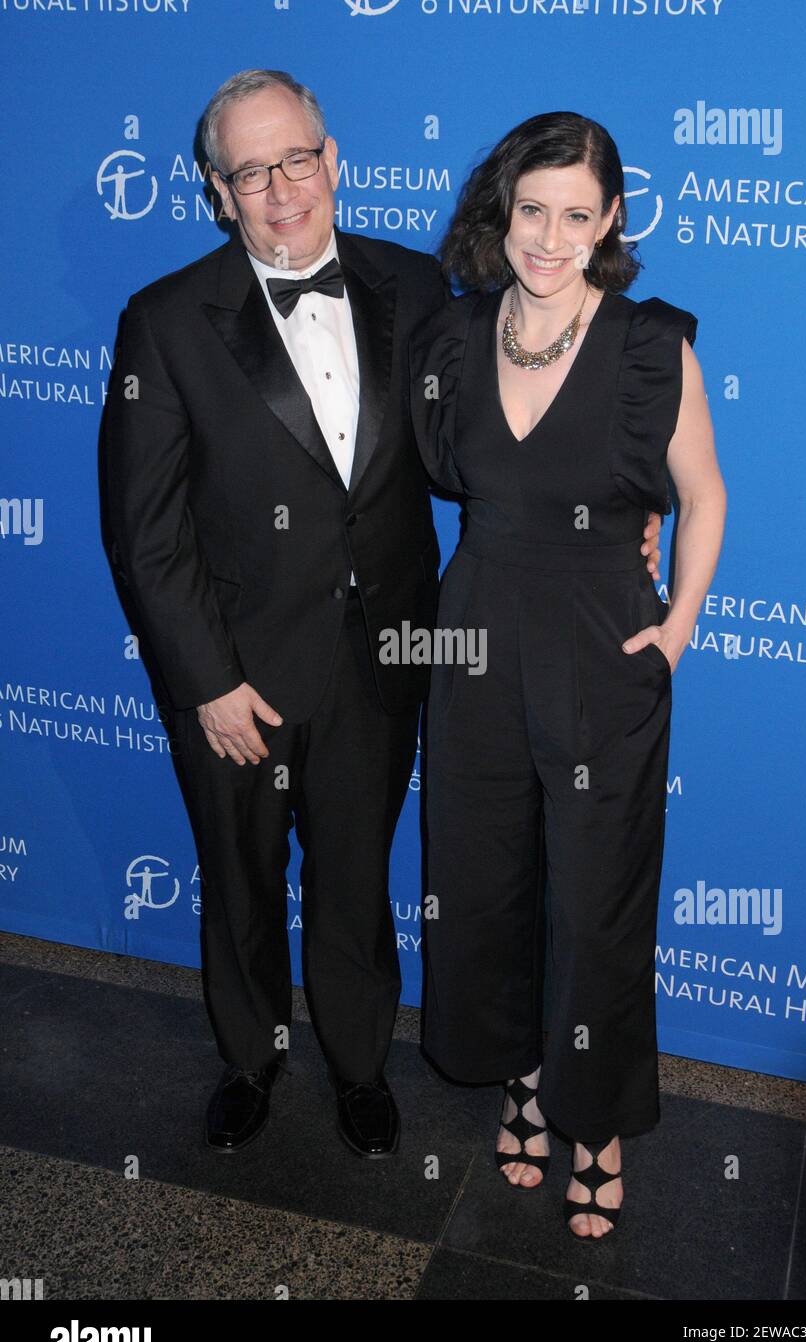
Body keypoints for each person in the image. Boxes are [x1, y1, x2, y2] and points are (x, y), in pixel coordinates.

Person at [103, 69, 455, 1158]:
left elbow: (484, 446)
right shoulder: (164, 321)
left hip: (381, 659)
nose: (280, 188)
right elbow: (144, 531)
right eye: (250, 171)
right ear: (218, 191)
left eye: (295, 158)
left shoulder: (417, 285)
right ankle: (249, 1058)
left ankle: (359, 1065)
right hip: (237, 677)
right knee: (242, 881)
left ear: (332, 158)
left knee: (356, 879)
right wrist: (205, 680)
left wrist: (617, 509)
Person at [408, 112, 726, 1239]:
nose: (548, 238)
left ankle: (591, 1120)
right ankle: (523, 1081)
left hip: (603, 650)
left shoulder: (648, 347)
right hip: (477, 642)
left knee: (595, 901)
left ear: (610, 223)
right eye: (530, 209)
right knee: (486, 883)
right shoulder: (452, 336)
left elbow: (704, 493)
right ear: (503, 211)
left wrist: (678, 622)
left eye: (574, 214)